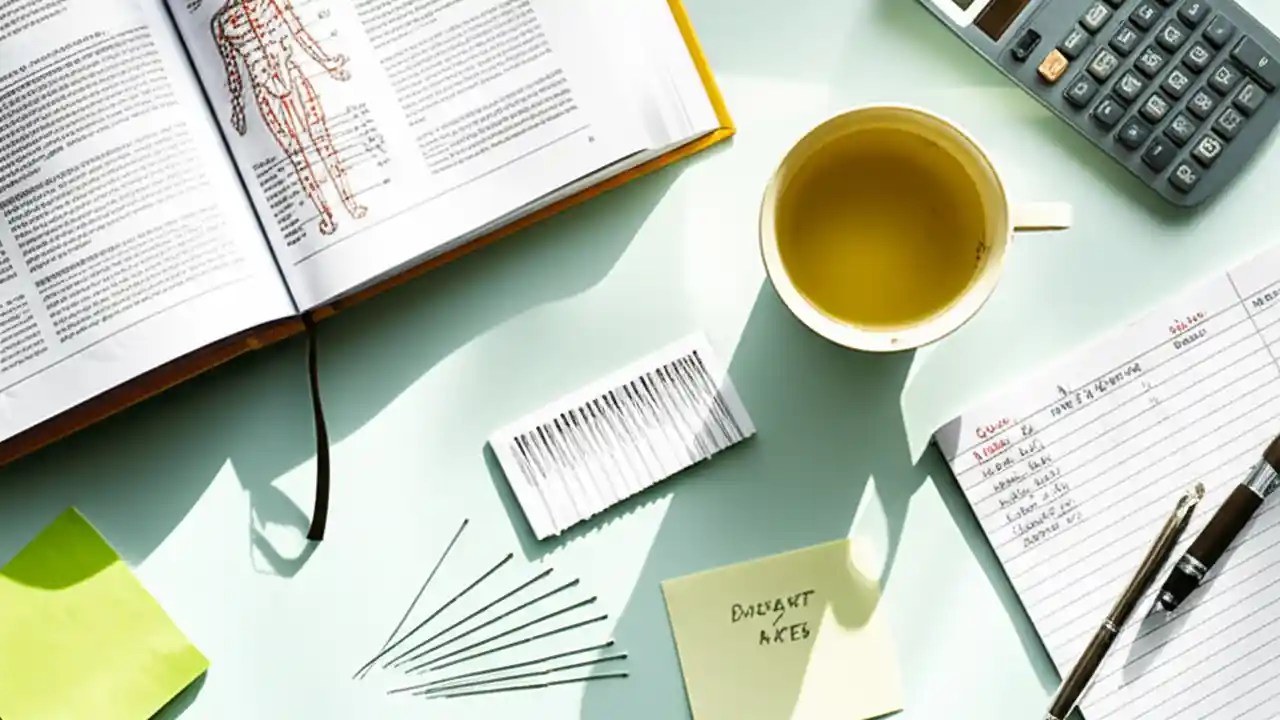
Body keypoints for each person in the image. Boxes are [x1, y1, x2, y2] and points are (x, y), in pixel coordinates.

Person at [212, 0, 367, 235]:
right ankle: (326, 216)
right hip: (265, 89)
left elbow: (298, 32)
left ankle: (351, 204)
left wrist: (328, 64)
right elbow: (233, 71)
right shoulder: (222, 23)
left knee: (322, 140)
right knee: (297, 155)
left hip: (292, 75)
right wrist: (238, 110)